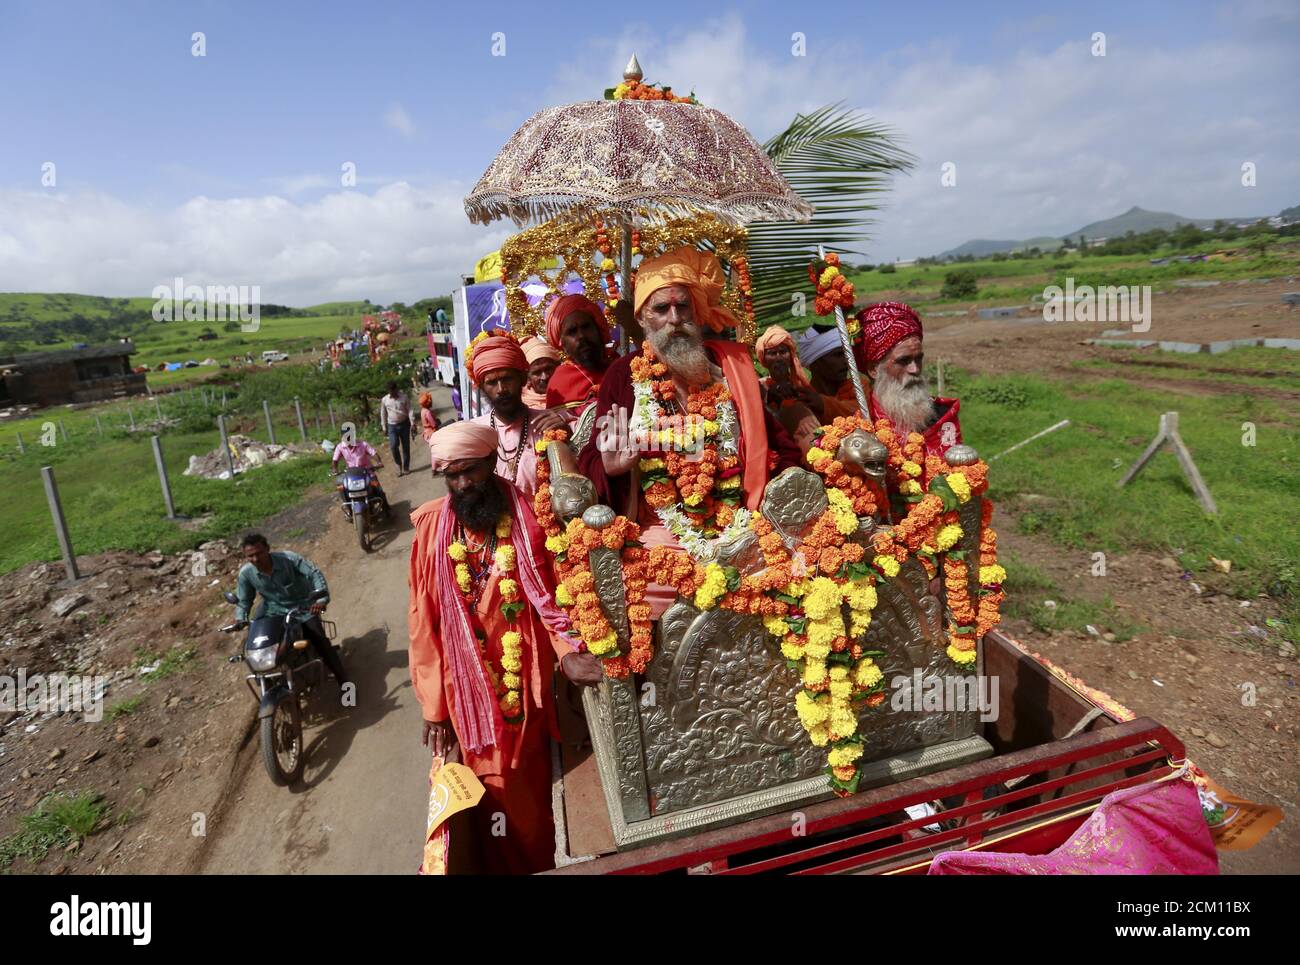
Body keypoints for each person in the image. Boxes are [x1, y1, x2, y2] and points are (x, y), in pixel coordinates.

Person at [408, 423, 601, 874]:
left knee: (528, 797)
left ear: (491, 463)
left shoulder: (526, 515)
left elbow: (553, 594)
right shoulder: (434, 527)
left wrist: (566, 647)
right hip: (463, 690)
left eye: (470, 473)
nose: (462, 485)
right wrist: (434, 706)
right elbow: (422, 621)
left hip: (523, 683)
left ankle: (536, 863)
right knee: (479, 798)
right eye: (451, 477)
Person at [577, 247, 802, 615]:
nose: (674, 318)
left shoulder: (730, 369)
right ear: (644, 319)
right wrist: (612, 470)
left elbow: (777, 446)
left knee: (796, 578)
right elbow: (592, 460)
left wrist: (783, 491)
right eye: (661, 309)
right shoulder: (624, 375)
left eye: (683, 307)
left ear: (697, 313)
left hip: (740, 522)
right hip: (660, 534)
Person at [234, 533, 349, 688]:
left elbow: (314, 573)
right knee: (256, 647)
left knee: (320, 640)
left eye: (259, 553)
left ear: (267, 549)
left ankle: (344, 682)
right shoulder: (246, 573)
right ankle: (267, 686)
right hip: (272, 610)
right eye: (250, 556)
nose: (256, 559)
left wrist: (321, 600)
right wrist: (240, 618)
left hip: (303, 606)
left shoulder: (288, 559)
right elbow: (244, 600)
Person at [466, 333, 565, 498]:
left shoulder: (549, 423)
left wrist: (566, 433)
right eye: (491, 382)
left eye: (507, 379)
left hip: (544, 521)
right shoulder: (474, 432)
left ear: (522, 378)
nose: (501, 389)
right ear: (481, 387)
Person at [856, 302, 962, 455]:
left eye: (918, 358)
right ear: (874, 369)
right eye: (903, 361)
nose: (915, 369)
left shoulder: (943, 417)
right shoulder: (860, 430)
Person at [543, 293, 615, 414]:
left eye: (586, 327)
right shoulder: (560, 382)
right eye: (572, 331)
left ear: (598, 328)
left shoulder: (620, 366)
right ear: (562, 343)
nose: (581, 336)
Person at [380, 381, 412, 476]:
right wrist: (384, 426)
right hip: (392, 426)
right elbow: (383, 413)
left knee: (406, 446)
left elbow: (410, 409)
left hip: (405, 424)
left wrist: (413, 422)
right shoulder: (385, 400)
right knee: (393, 446)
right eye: (390, 391)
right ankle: (398, 465)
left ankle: (406, 467)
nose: (392, 393)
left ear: (396, 389)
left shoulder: (404, 397)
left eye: (393, 391)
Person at [520, 337, 560, 410]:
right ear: (528, 379)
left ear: (558, 367)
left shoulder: (573, 394)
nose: (545, 377)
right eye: (537, 372)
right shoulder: (522, 407)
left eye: (548, 369)